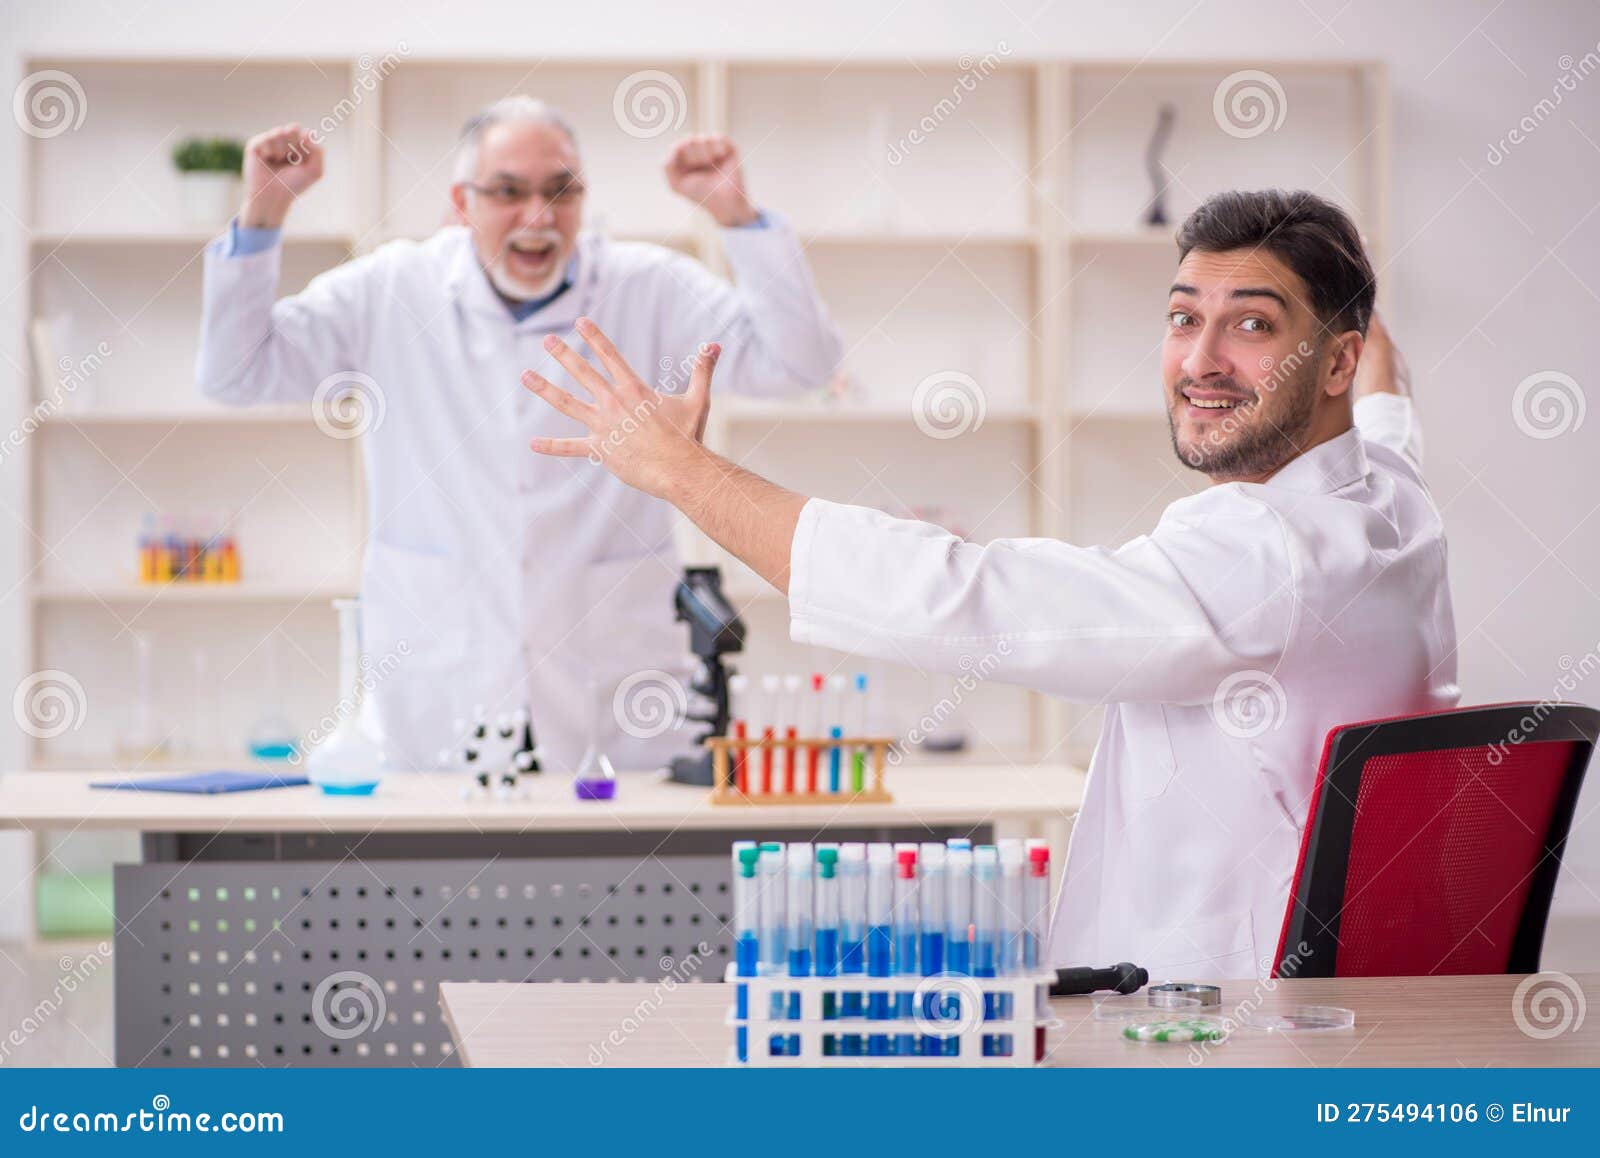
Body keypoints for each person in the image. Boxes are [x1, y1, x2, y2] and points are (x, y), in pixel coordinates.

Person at [518, 189, 1459, 980]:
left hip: (1209, 1033)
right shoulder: (1391, 497)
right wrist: (1359, 315)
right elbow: (1384, 409)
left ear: (1331, 359)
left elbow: (961, 599)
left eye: (1253, 324)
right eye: (1183, 317)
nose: (1201, 359)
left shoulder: (1263, 556)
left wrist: (681, 472)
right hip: (1342, 1005)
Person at [196, 97, 843, 772]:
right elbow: (235, 375)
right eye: (508, 192)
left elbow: (803, 363)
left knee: (621, 863)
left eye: (560, 192)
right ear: (460, 201)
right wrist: (264, 217)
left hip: (610, 676)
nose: (538, 217)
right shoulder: (391, 287)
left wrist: (734, 214)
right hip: (438, 677)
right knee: (440, 864)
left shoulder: (645, 286)